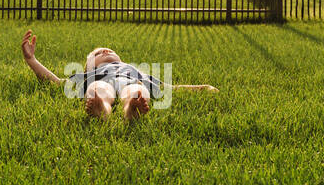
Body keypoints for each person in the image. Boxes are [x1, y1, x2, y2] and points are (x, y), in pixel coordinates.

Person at [20, 30, 217, 121]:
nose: (105, 51)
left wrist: (203, 87)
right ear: (88, 68)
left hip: (131, 82)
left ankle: (132, 108)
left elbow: (169, 88)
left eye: (108, 50)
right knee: (98, 89)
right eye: (98, 54)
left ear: (120, 59)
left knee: (137, 90)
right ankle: (101, 107)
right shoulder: (92, 75)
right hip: (101, 82)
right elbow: (57, 82)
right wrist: (32, 61)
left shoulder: (133, 70)